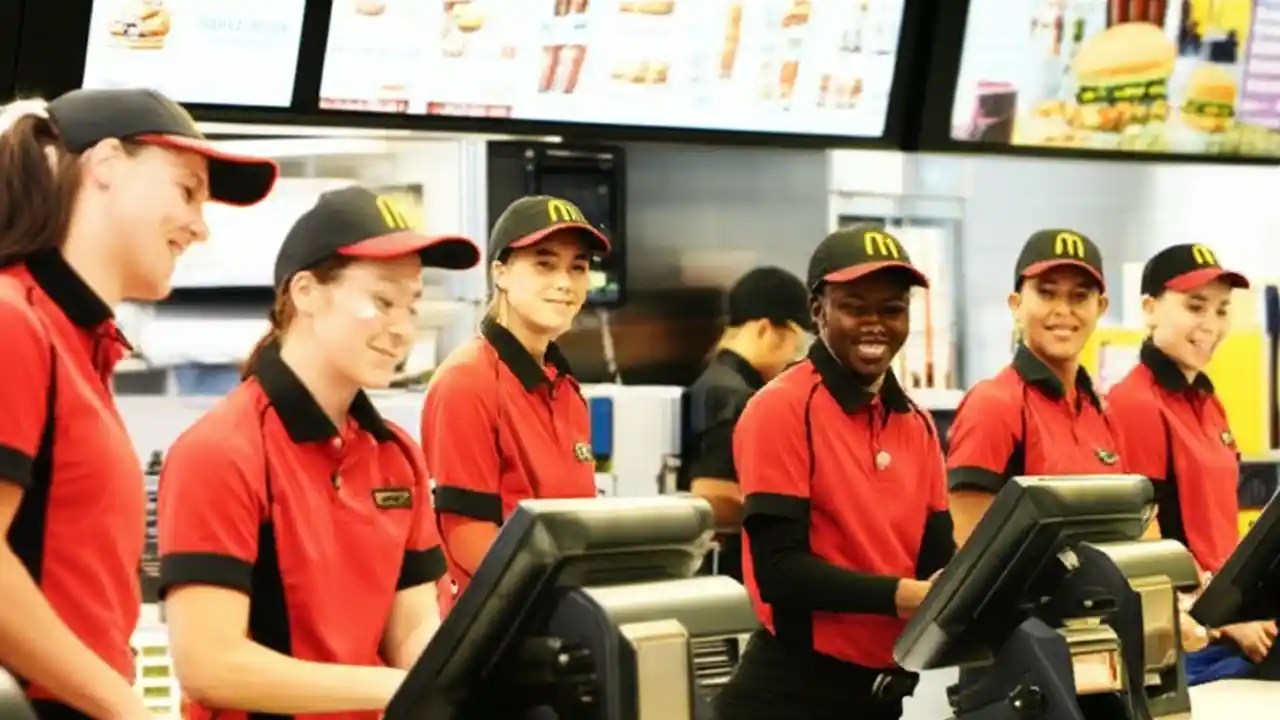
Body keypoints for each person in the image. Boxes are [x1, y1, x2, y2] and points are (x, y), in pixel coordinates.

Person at [0, 89, 276, 720]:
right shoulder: (14, 321)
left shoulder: (75, 342)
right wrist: (120, 707)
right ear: (103, 166)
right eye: (186, 190)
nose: (200, 227)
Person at [156, 187, 479, 720]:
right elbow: (210, 665)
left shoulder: (397, 455)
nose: (402, 328)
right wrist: (399, 690)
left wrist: (454, 683)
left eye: (412, 304)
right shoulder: (220, 452)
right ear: (306, 292)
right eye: (381, 301)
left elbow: (414, 629)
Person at [715, 227, 955, 720]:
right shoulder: (780, 409)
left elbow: (935, 559)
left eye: (892, 308)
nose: (875, 324)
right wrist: (905, 596)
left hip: (882, 695)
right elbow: (780, 572)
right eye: (854, 306)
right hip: (789, 696)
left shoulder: (919, 425)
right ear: (817, 310)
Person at [421, 195, 611, 610]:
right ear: (501, 272)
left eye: (577, 267)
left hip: (561, 621)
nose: (565, 281)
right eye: (544, 264)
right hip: (499, 632)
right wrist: (563, 601)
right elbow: (467, 536)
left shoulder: (566, 389)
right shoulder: (466, 382)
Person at [1107, 244, 1276, 675]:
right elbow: (1145, 541)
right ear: (1149, 308)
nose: (1211, 325)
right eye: (1194, 306)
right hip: (1190, 639)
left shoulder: (1205, 397)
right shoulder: (1135, 402)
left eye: (1221, 310)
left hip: (1231, 617)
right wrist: (1223, 618)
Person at [946, 229, 1121, 546]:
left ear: (1101, 307)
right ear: (1015, 304)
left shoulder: (1100, 410)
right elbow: (972, 551)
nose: (1063, 310)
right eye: (1047, 293)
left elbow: (1134, 528)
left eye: (1079, 296)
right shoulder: (992, 405)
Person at [680, 266, 811, 582]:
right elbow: (712, 494)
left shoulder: (714, 382)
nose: (795, 356)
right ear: (766, 330)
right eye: (796, 343)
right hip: (725, 572)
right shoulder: (733, 395)